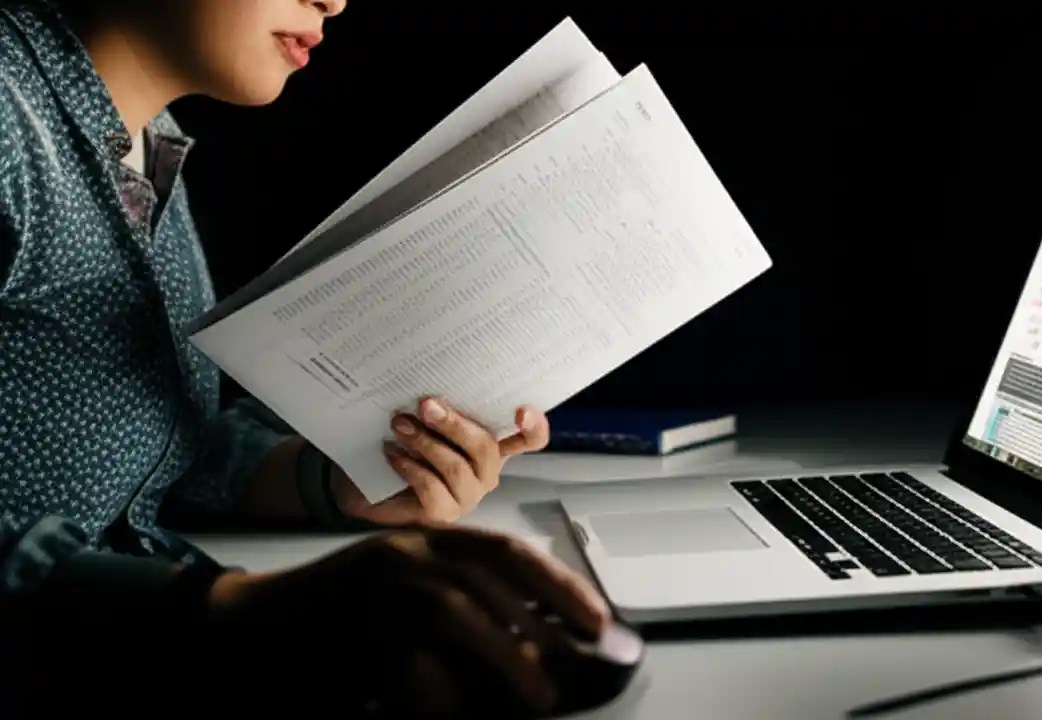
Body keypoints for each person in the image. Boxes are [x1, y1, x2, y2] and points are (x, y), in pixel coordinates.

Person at [0, 0, 615, 716]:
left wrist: (334, 481)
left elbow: (146, 445)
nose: (336, 1)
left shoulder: (150, 141)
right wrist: (231, 607)